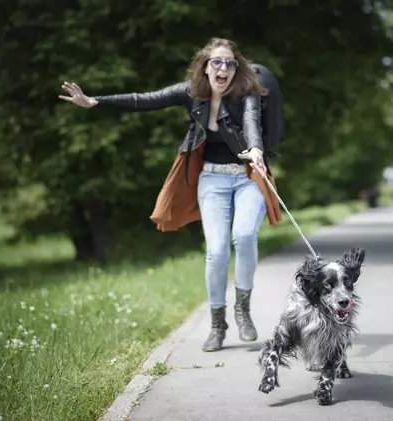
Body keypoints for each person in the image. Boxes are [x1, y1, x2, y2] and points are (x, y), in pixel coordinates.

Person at [59, 37, 282, 352]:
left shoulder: (245, 94)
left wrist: (256, 148)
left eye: (230, 63)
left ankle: (242, 309)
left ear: (236, 68)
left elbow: (251, 121)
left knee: (244, 237)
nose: (224, 68)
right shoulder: (190, 93)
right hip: (212, 180)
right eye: (217, 62)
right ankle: (218, 325)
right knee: (217, 251)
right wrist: (96, 101)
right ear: (205, 66)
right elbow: (144, 99)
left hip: (247, 177)